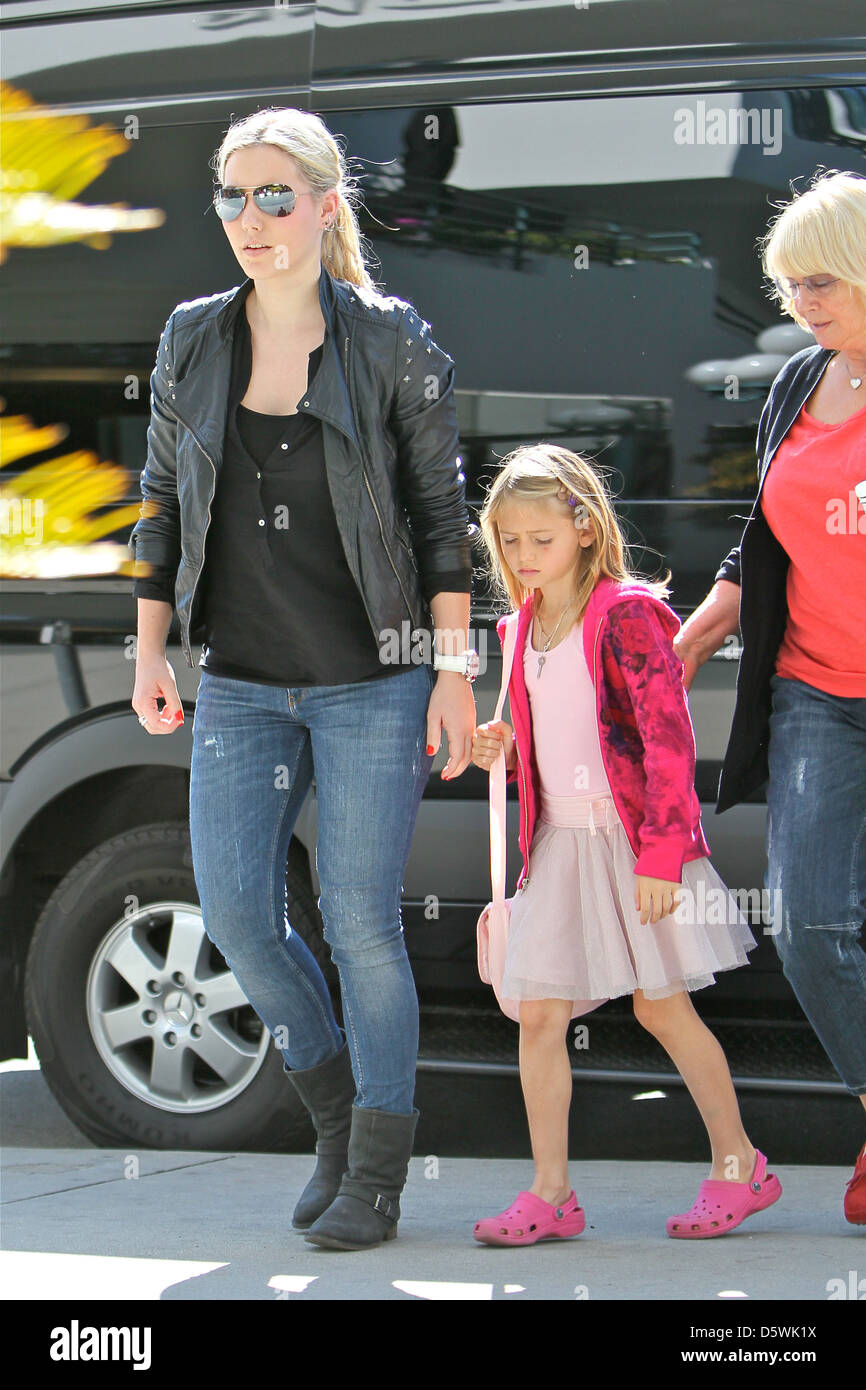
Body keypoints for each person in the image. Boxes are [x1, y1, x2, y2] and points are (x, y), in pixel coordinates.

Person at [129, 106, 479, 1250]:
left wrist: (449, 671)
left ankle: (376, 1166)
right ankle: (335, 1117)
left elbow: (440, 520)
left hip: (374, 676)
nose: (250, 218)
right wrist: (147, 648)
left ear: (327, 206)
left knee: (358, 921)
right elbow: (159, 504)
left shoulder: (387, 338)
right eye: (231, 196)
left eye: (274, 195)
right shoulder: (192, 334)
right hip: (241, 676)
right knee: (234, 909)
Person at [470, 443, 781, 1244]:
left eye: (540, 539)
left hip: (633, 843)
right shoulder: (520, 626)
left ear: (582, 528)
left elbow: (668, 739)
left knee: (662, 1008)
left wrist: (662, 857)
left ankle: (740, 1165)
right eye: (508, 541)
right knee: (538, 1015)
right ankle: (552, 1194)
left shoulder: (628, 613)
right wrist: (501, 741)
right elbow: (547, 733)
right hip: (560, 847)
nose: (524, 556)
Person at [674, 169, 866, 1226]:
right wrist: (696, 631)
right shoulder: (798, 381)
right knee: (805, 923)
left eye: (821, 282)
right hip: (813, 695)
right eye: (787, 285)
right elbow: (764, 536)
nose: (798, 304)